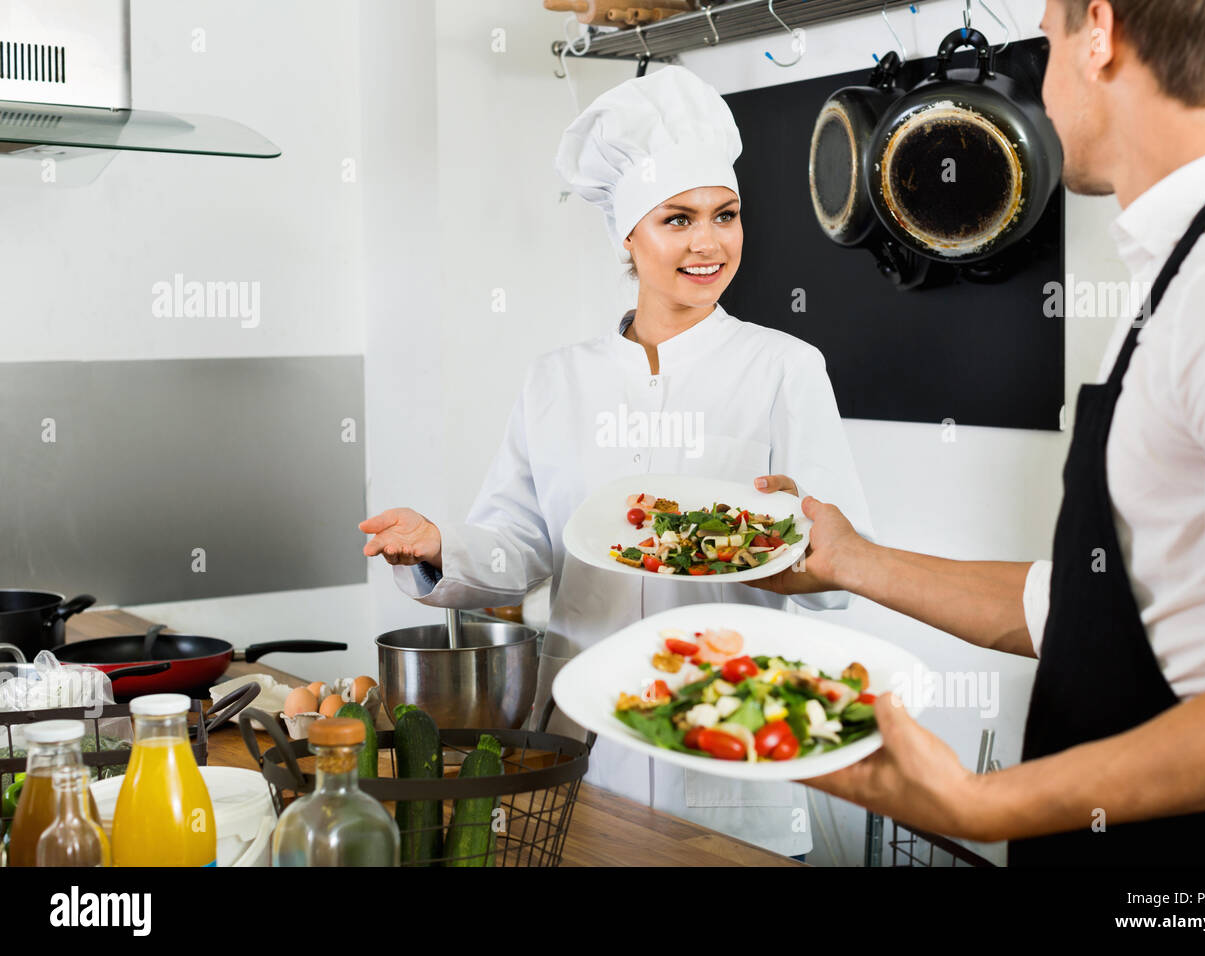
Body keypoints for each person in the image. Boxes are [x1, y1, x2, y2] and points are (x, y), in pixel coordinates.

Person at [753, 0, 1205, 866]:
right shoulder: (1192, 265)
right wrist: (851, 558)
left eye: (1044, 42)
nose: (1042, 84)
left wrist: (980, 802)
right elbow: (1101, 609)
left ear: (1100, 32)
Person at [359, 65, 874, 857]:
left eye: (726, 216)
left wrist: (794, 535)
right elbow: (521, 548)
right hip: (588, 742)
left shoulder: (785, 369)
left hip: (729, 743)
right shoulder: (556, 379)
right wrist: (441, 546)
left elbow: (846, 571)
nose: (709, 243)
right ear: (626, 235)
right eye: (677, 219)